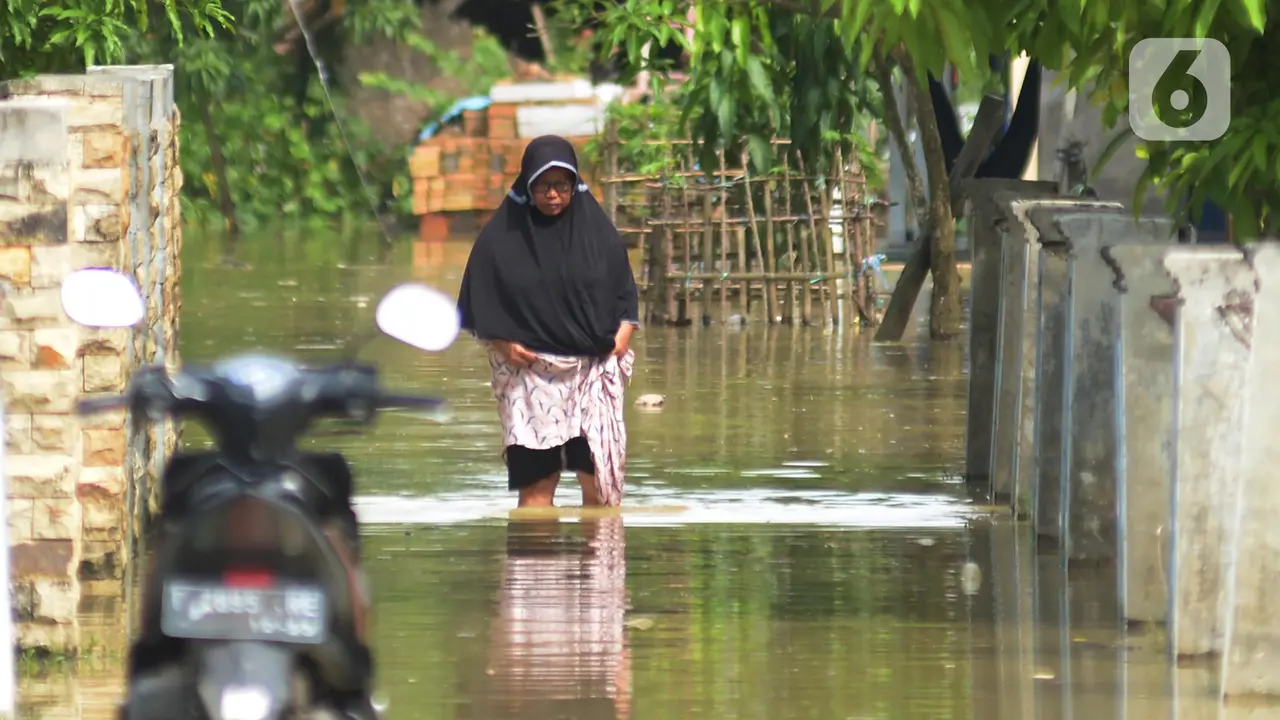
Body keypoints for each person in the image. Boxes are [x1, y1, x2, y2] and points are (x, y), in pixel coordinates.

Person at [457, 135, 640, 509]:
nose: (553, 194)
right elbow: (478, 300)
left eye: (561, 185)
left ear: (575, 185)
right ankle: (536, 550)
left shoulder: (598, 235)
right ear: (527, 185)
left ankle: (598, 550)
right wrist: (502, 344)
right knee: (536, 496)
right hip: (530, 379)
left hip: (591, 374)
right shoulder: (500, 238)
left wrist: (622, 336)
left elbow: (624, 293)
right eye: (542, 185)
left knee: (600, 494)